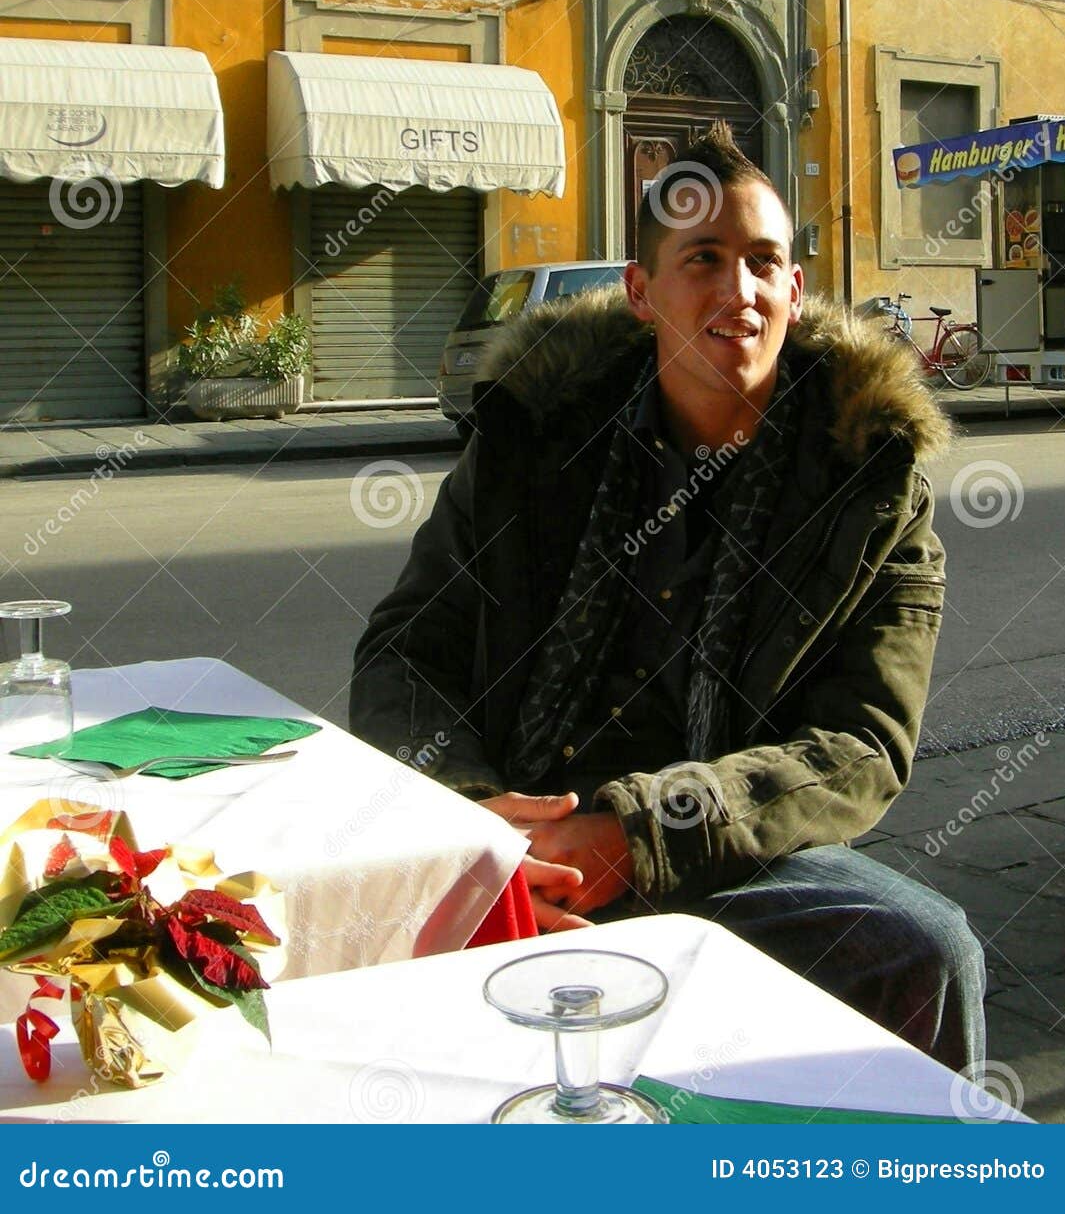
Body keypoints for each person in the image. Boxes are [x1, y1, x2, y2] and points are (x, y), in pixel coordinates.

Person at [349, 122, 986, 1073]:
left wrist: (640, 833)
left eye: (765, 263)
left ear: (795, 289)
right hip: (512, 836)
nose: (741, 292)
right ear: (643, 292)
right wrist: (474, 817)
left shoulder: (870, 480)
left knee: (925, 950)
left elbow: (863, 747)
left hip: (724, 855)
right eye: (705, 260)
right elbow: (404, 649)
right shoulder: (534, 438)